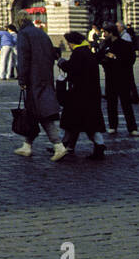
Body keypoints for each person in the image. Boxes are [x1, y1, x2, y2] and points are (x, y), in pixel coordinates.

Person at [15, 15, 68, 160]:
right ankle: (27, 145)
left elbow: (23, 58)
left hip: (33, 78)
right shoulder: (42, 33)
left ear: (19, 22)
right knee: (33, 111)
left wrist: (22, 79)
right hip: (46, 76)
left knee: (41, 112)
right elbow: (53, 53)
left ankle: (58, 145)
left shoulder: (23, 34)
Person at [58, 31, 107, 160]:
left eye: (68, 42)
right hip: (91, 93)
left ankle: (98, 147)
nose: (68, 45)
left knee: (78, 122)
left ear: (72, 42)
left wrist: (62, 63)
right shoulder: (86, 51)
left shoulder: (79, 53)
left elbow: (72, 69)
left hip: (80, 94)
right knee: (85, 123)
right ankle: (66, 146)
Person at [99, 25, 139, 135]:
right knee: (111, 104)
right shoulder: (105, 45)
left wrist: (115, 58)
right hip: (110, 77)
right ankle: (113, 126)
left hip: (123, 78)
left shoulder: (125, 44)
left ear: (111, 33)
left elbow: (130, 60)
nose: (104, 35)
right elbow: (99, 58)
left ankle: (132, 128)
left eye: (105, 32)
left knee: (126, 104)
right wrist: (104, 60)